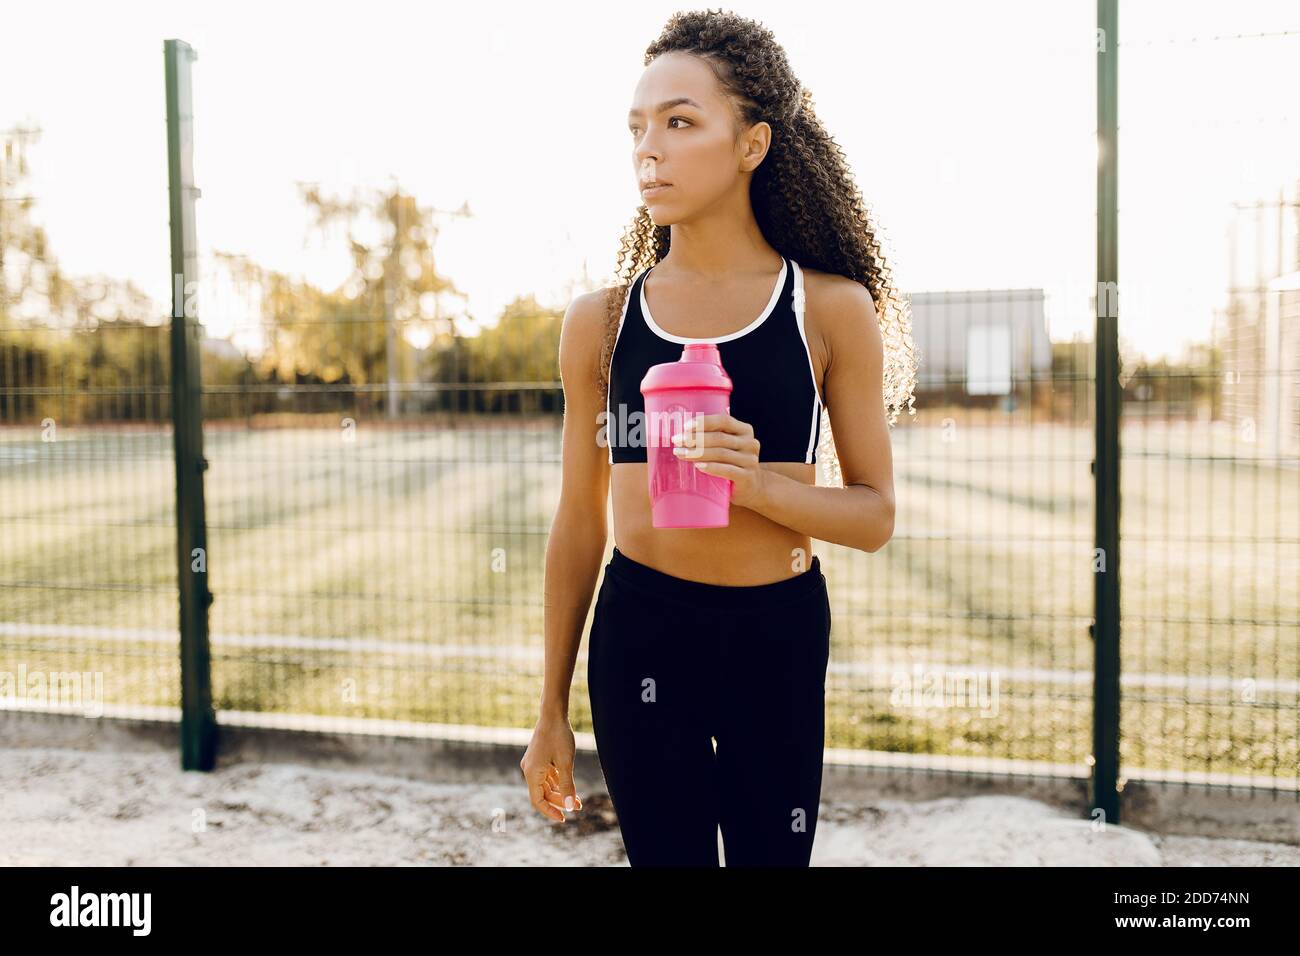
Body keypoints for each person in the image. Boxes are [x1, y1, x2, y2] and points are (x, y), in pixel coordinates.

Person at [520, 9, 917, 867]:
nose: (649, 149)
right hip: (642, 634)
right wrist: (551, 707)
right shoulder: (601, 322)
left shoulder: (829, 308)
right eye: (637, 128)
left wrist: (762, 485)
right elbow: (580, 522)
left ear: (752, 144)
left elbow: (875, 516)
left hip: (775, 635)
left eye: (680, 121)